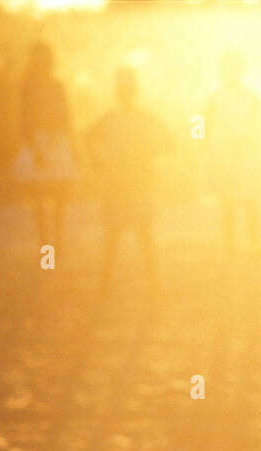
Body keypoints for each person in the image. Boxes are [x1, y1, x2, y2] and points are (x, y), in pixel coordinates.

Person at [86, 66, 173, 294]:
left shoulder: (123, 118)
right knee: (127, 233)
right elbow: (168, 142)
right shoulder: (130, 118)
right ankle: (148, 283)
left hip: (129, 180)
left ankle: (122, 283)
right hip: (125, 181)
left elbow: (168, 142)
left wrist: (99, 163)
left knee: (128, 233)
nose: (124, 92)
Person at [15, 41, 81, 252]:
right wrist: (35, 148)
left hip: (57, 140)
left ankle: (58, 242)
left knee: (59, 196)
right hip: (38, 141)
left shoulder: (56, 85)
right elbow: (26, 119)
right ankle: (46, 244)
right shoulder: (28, 86)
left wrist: (69, 142)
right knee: (41, 198)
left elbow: (66, 115)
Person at [206, 49, 261, 254]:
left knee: (250, 200)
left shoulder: (252, 97)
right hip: (223, 155)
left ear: (241, 70)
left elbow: (259, 126)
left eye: (234, 67)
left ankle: (254, 244)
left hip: (247, 154)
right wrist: (201, 144)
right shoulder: (215, 97)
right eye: (226, 68)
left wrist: (252, 143)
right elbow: (201, 123)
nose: (230, 72)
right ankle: (230, 245)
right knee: (227, 202)